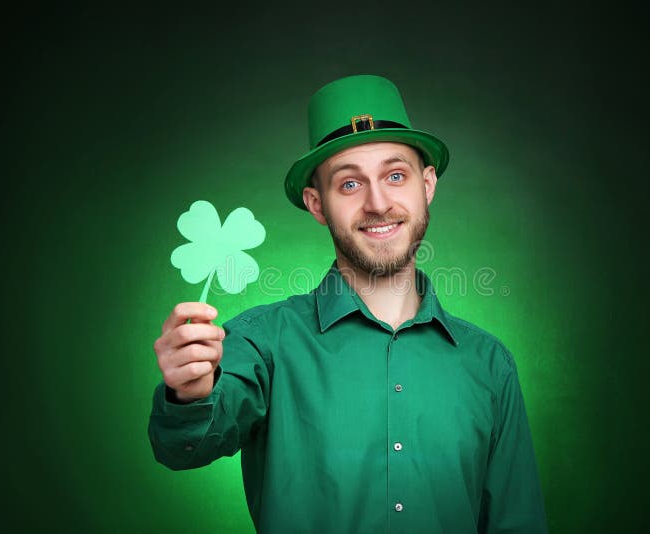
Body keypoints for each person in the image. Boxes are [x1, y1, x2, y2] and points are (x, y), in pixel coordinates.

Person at [149, 75, 548, 533]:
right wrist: (190, 393)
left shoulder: (490, 365)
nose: (378, 203)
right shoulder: (261, 342)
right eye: (350, 184)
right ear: (317, 205)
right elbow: (183, 447)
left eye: (395, 176)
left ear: (428, 184)